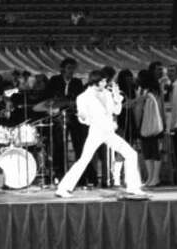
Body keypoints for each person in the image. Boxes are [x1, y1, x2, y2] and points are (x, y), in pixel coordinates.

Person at [56, 69, 145, 199]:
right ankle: (63, 188)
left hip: (109, 131)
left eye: (105, 80)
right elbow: (83, 119)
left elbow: (117, 111)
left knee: (131, 153)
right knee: (84, 160)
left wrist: (117, 98)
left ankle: (133, 187)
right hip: (96, 131)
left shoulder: (108, 94)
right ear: (95, 81)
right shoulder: (83, 97)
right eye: (103, 80)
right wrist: (83, 116)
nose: (105, 83)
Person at [136, 69, 164, 187]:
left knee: (154, 151)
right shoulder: (146, 91)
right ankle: (150, 176)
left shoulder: (153, 92)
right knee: (147, 151)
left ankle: (155, 177)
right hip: (148, 123)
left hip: (151, 123)